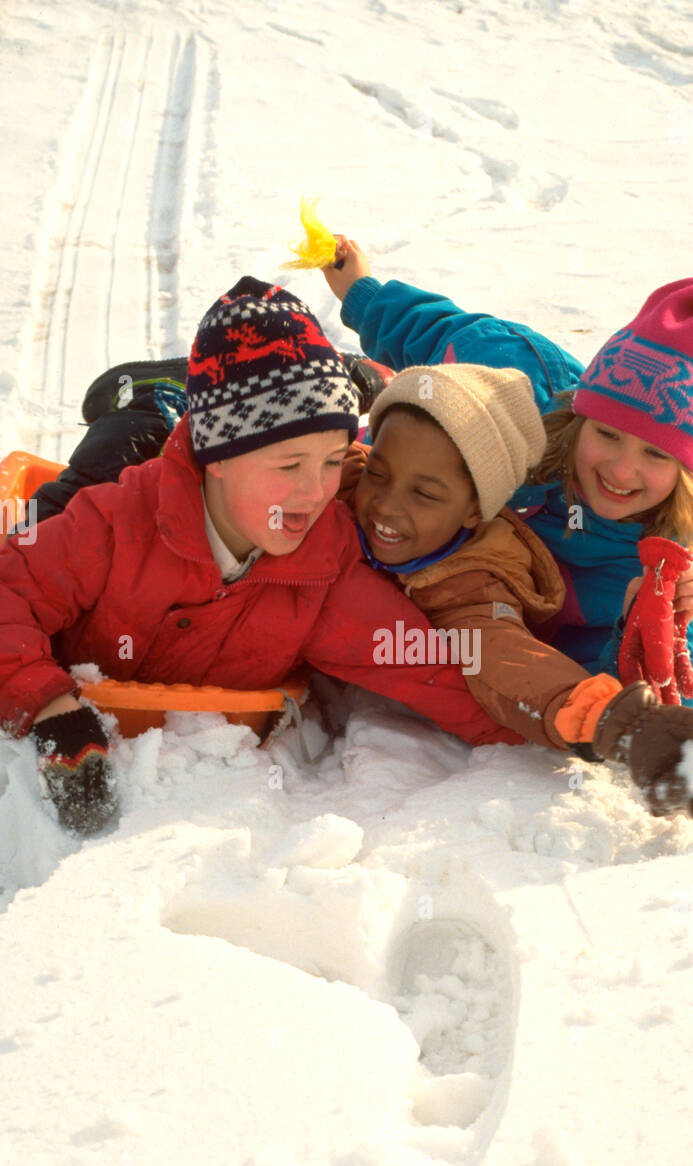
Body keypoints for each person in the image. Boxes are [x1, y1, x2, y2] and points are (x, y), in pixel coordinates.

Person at [0, 277, 531, 837]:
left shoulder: (323, 572)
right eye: (289, 465)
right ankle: (155, 394)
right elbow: (9, 594)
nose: (316, 491)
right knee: (79, 479)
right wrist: (50, 708)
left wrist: (562, 722)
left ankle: (337, 383)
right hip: (148, 444)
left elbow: (435, 672)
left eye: (333, 460)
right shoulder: (110, 526)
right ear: (217, 456)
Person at [322, 239, 693, 710]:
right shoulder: (520, 394)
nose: (622, 468)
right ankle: (382, 387)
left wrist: (635, 622)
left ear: (687, 473)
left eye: (656, 454)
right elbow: (441, 334)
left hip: (473, 603)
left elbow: (652, 700)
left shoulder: (657, 569)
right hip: (385, 477)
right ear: (579, 416)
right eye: (607, 434)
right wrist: (362, 293)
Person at [336, 360, 693, 821]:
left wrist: (625, 723)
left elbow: (506, 657)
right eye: (379, 474)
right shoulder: (340, 477)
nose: (387, 505)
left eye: (426, 495)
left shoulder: (471, 580)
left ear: (475, 510)